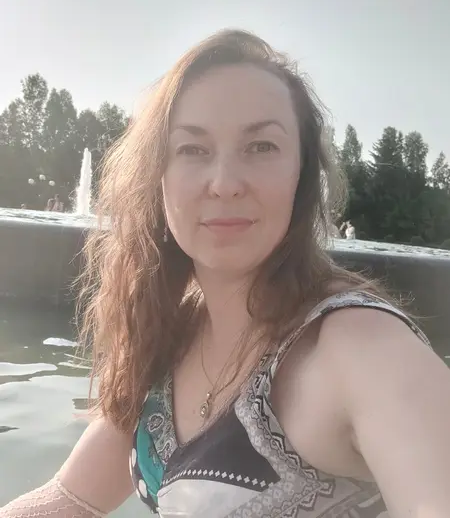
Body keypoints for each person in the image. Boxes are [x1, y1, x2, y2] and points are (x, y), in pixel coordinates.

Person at [2, 29, 450, 518]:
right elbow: (68, 499)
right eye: (192, 149)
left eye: (261, 146)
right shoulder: (170, 337)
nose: (224, 183)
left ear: (302, 174)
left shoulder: (362, 347)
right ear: (158, 176)